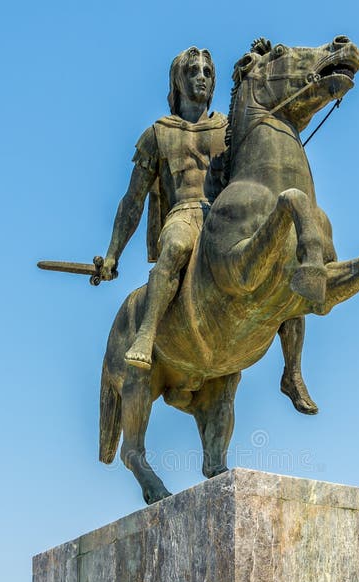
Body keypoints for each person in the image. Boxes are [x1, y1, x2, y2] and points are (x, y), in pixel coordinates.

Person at [102, 46, 317, 413]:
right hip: (184, 214)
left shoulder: (227, 128)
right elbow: (132, 201)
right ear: (178, 80)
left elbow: (270, 109)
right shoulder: (157, 134)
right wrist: (112, 255)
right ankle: (146, 334)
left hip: (226, 217)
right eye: (192, 71)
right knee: (173, 248)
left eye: (207, 71)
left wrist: (260, 61)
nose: (201, 76)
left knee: (284, 265)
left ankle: (292, 371)